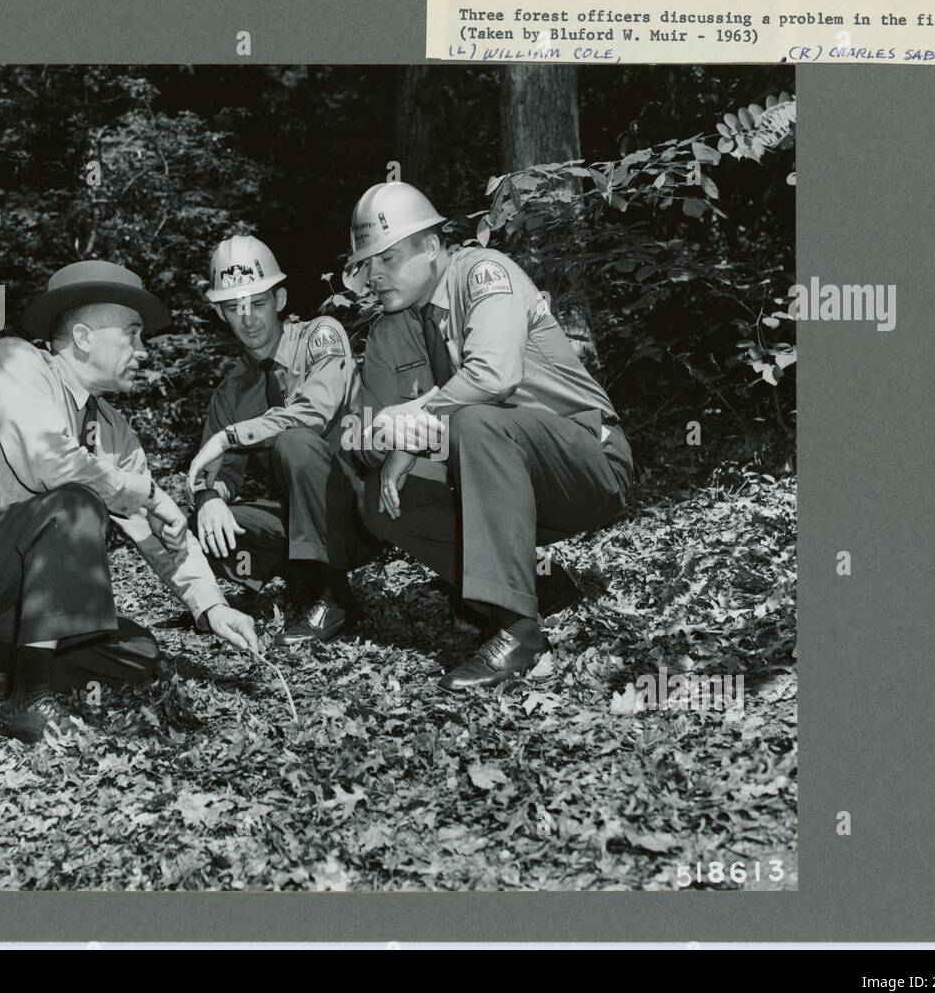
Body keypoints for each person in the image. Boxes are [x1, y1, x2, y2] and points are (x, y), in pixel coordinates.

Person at [0, 260, 259, 743]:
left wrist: (211, 606)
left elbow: (157, 531)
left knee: (138, 654)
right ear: (83, 337)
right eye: (132, 334)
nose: (142, 351)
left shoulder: (112, 430)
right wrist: (144, 493)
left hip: (8, 593)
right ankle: (28, 698)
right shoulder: (13, 361)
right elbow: (51, 464)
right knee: (75, 504)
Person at [342, 182, 633, 693]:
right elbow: (375, 429)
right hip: (502, 476)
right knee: (383, 500)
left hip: (587, 460)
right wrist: (397, 448)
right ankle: (537, 586)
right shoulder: (394, 327)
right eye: (367, 264)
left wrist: (414, 420)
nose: (374, 275)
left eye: (387, 257)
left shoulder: (482, 273)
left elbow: (492, 378)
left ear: (431, 247)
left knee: (475, 421)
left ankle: (518, 631)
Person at [185, 235, 364, 646]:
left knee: (294, 442)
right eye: (233, 307)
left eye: (258, 303)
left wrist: (232, 435)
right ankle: (302, 572)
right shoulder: (231, 391)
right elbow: (218, 473)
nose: (247, 319)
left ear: (280, 299)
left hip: (358, 505)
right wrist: (209, 497)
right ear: (219, 312)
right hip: (297, 515)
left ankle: (334, 596)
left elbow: (314, 411)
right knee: (209, 522)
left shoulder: (322, 336)